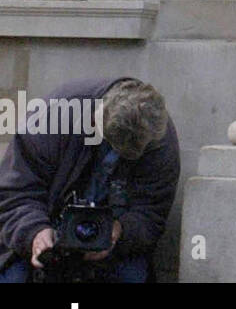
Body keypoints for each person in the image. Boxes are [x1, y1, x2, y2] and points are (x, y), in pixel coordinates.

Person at [0, 77, 179, 283]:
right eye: (111, 145)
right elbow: (15, 191)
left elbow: (151, 213)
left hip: (114, 249)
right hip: (44, 231)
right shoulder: (55, 115)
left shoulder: (159, 138)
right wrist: (34, 232)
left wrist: (121, 232)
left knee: (133, 276)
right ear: (95, 119)